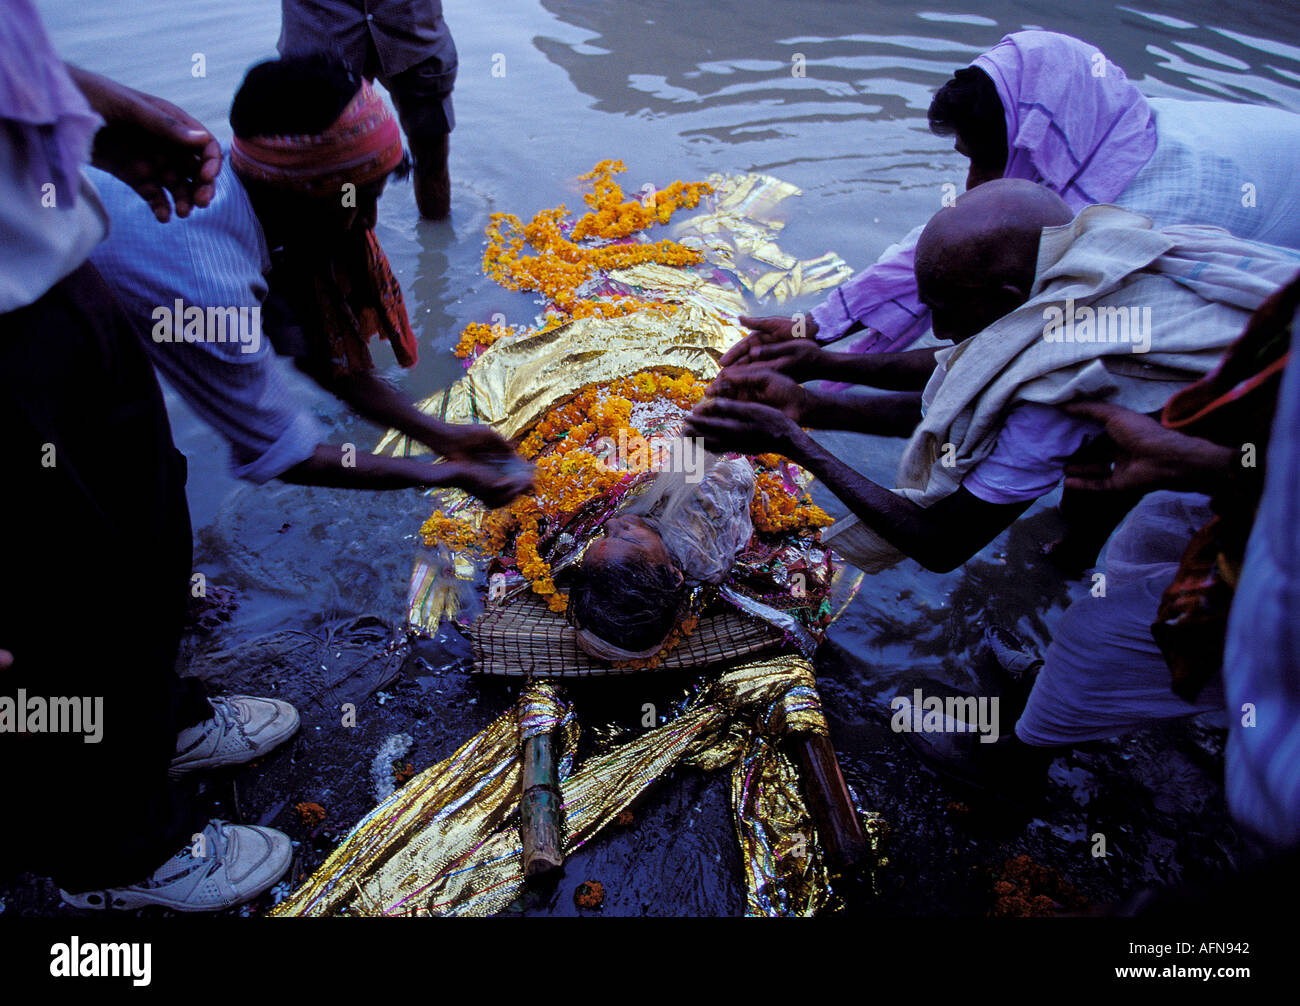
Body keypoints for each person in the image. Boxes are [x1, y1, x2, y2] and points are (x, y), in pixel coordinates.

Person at [0, 0, 298, 912]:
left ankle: (157, 723)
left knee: (145, 515)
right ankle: (114, 851)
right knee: (51, 601)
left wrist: (89, 113)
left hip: (46, 264)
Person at [685, 179, 1300, 578]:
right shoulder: (1108, 250)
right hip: (1255, 414)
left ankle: (1017, 753)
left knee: (1119, 633)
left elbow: (942, 543)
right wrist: (819, 380)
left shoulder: (1056, 388)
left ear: (1007, 295)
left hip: (1270, 482)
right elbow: (974, 380)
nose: (937, 325)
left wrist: (793, 442)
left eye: (943, 307)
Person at [89, 53, 530, 503]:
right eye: (360, 203)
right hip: (42, 322)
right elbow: (284, 455)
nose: (368, 222)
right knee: (127, 484)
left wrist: (445, 437)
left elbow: (322, 361)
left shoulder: (255, 188)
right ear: (307, 197)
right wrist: (448, 476)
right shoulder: (209, 289)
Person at [735, 29, 1300, 362]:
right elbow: (956, 237)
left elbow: (1035, 355)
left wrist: (820, 385)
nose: (975, 182)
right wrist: (818, 325)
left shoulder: (1132, 227)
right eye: (969, 160)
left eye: (988, 160)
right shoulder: (1086, 131)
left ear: (1029, 146)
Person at [279, 0, 457, 219]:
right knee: (337, 170)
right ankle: (355, 242)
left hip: (410, 19)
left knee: (431, 156)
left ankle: (436, 240)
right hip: (320, 20)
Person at [567, 452, 754, 659]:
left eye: (605, 534)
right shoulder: (707, 501)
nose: (610, 523)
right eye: (629, 539)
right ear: (674, 575)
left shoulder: (647, 545)